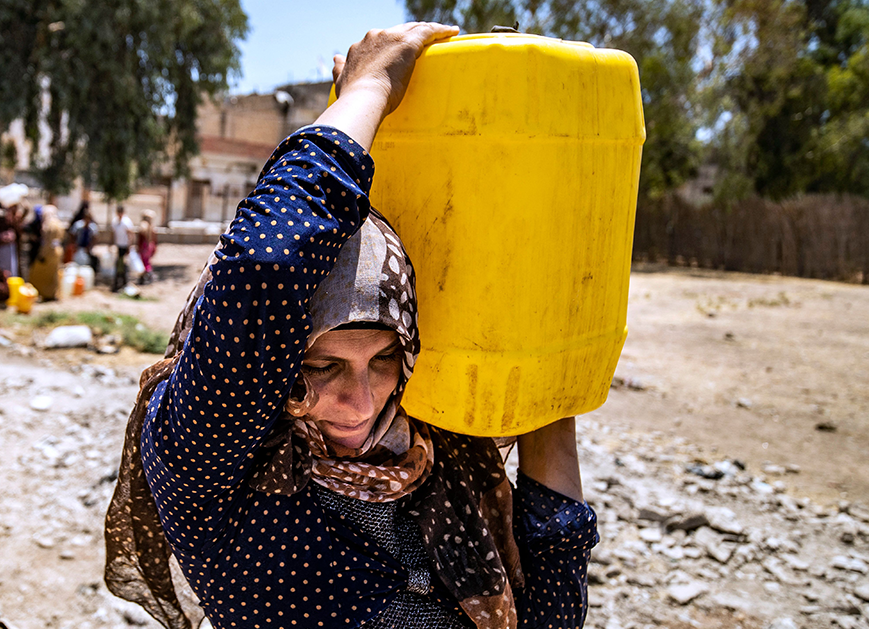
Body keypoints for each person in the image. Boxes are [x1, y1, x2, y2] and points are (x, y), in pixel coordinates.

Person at [105, 22, 597, 629]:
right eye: (322, 365)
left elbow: (553, 575)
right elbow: (264, 269)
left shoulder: (439, 454)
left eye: (384, 359)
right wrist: (367, 89)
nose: (361, 402)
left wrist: (545, 353)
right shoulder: (215, 473)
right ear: (271, 357)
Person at [111, 205, 134, 291]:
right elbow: (113, 233)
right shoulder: (115, 221)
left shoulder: (126, 222)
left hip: (125, 246)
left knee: (122, 264)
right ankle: (120, 282)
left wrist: (129, 246)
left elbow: (130, 235)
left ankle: (123, 282)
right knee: (119, 264)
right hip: (118, 246)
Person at [136, 209, 157, 284]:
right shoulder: (151, 227)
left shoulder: (144, 225)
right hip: (149, 245)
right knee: (146, 261)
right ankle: (142, 278)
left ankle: (150, 276)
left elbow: (142, 237)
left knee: (144, 262)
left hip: (144, 246)